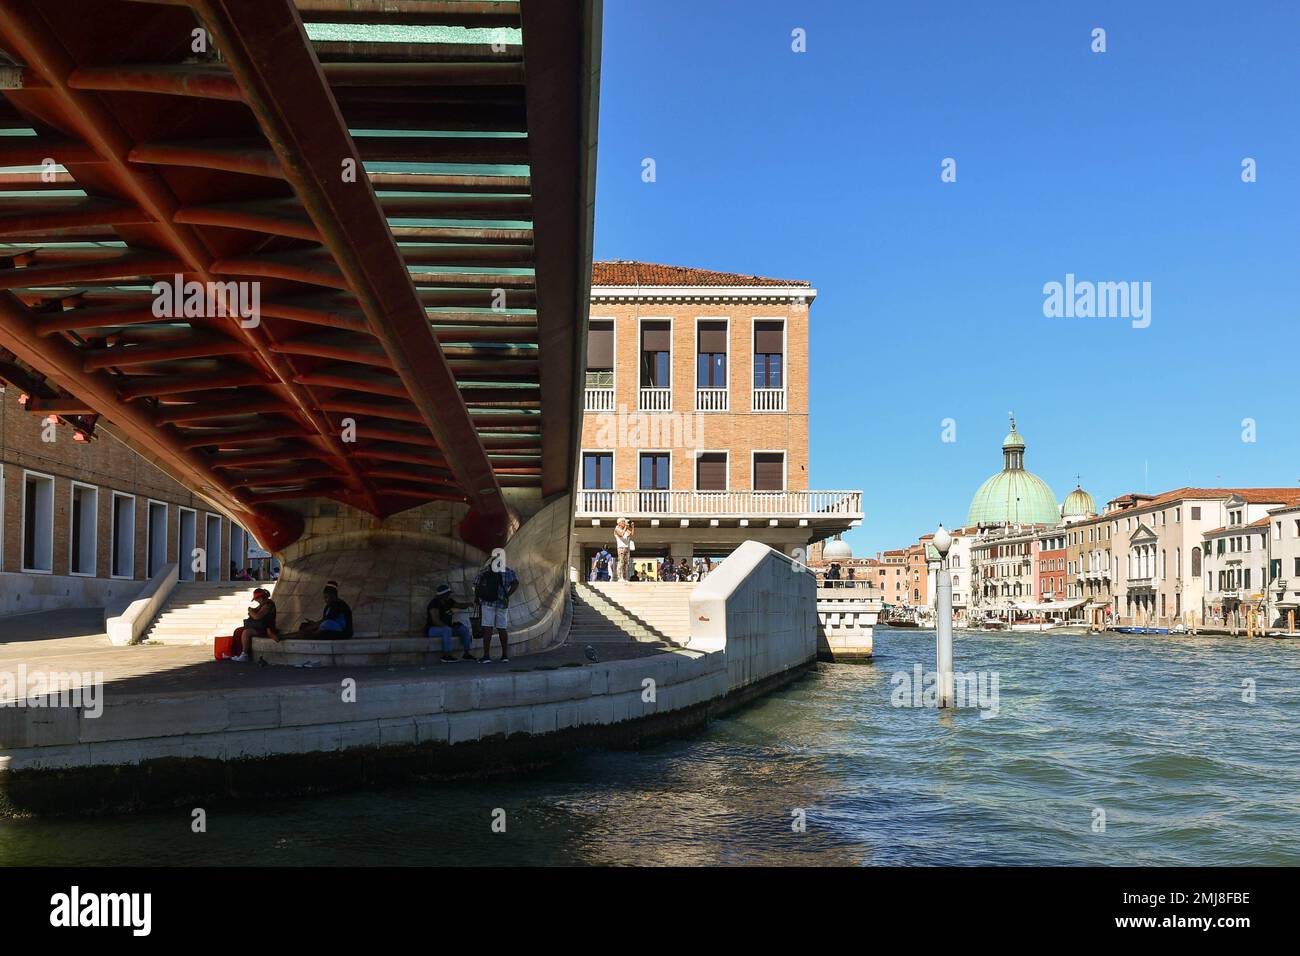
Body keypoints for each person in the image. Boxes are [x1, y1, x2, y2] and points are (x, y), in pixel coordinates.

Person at [473, 559, 518, 662]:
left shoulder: (485, 570)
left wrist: (477, 598)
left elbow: (476, 585)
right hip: (502, 603)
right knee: (502, 628)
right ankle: (504, 656)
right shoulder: (507, 570)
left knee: (487, 628)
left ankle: (486, 656)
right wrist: (507, 595)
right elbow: (516, 583)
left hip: (487, 603)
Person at [287, 581, 354, 639]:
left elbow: (327, 621)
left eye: (326, 597)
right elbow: (324, 620)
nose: (325, 600)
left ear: (333, 595)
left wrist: (315, 625)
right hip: (328, 626)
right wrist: (313, 624)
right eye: (324, 598)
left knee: (322, 625)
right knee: (304, 626)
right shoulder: (328, 606)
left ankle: (286, 636)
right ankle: (309, 633)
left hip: (342, 632)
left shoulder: (339, 604)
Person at [427, 584, 474, 662]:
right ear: (442, 595)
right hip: (433, 629)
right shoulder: (434, 604)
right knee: (447, 630)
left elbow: (460, 605)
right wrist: (449, 628)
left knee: (463, 629)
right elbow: (436, 621)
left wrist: (469, 604)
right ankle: (446, 655)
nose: (449, 595)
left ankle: (466, 653)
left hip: (447, 627)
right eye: (447, 594)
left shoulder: (448, 601)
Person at [230, 587, 276, 662]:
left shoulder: (268, 605)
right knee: (238, 631)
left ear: (261, 598)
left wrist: (251, 611)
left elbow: (257, 617)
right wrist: (252, 610)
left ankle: (245, 654)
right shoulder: (262, 604)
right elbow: (256, 610)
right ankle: (237, 653)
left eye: (257, 599)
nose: (257, 601)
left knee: (246, 632)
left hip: (266, 629)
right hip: (259, 627)